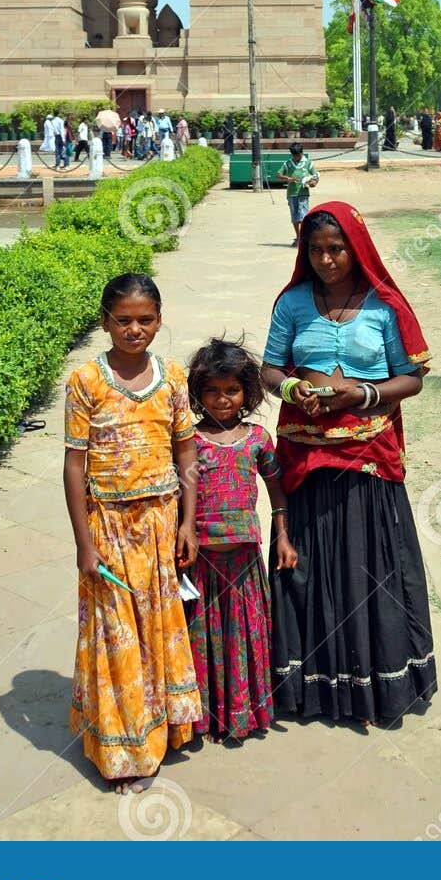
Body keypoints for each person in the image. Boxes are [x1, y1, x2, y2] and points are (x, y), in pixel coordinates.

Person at [260, 202, 437, 725]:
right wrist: (295, 387)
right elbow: (270, 369)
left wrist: (360, 395)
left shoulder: (385, 308)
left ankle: (377, 686)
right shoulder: (291, 303)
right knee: (307, 564)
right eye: (315, 249)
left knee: (368, 565)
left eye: (336, 248)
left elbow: (412, 379)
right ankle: (310, 688)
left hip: (367, 455)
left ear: (355, 248)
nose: (326, 259)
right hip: (304, 454)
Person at [63, 273, 202, 791]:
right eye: (123, 321)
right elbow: (74, 465)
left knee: (159, 629)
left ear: (160, 320)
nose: (134, 329)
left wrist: (187, 521)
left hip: (162, 522)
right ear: (105, 323)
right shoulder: (87, 382)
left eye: (145, 320)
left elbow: (186, 450)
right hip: (109, 529)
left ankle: (163, 728)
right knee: (117, 636)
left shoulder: (173, 378)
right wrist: (84, 543)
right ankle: (126, 752)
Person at [185, 338, 297, 740]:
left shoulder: (258, 441)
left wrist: (282, 536)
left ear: (247, 392)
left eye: (231, 390)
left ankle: (242, 715)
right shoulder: (189, 443)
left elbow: (277, 492)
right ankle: (205, 718)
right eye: (212, 392)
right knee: (203, 642)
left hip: (245, 567)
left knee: (242, 640)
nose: (222, 400)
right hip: (202, 568)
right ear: (198, 395)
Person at [276, 140, 319, 243]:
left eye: (298, 155)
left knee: (303, 216)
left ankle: (305, 236)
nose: (296, 158)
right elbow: (278, 174)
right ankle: (298, 236)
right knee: (295, 216)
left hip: (303, 193)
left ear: (301, 153)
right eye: (294, 156)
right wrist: (288, 178)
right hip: (292, 193)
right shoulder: (288, 163)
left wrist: (313, 183)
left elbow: (315, 176)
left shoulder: (308, 163)